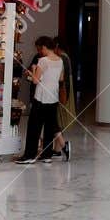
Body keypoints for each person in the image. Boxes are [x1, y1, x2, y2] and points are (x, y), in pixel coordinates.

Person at [18, 35, 62, 164]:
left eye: (39, 49)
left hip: (41, 97)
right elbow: (59, 78)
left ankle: (29, 155)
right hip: (53, 97)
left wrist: (32, 70)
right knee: (49, 127)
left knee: (34, 127)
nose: (39, 52)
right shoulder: (59, 60)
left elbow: (36, 81)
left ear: (43, 47)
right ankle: (47, 155)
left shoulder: (43, 61)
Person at [51, 36, 73, 162]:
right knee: (58, 121)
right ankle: (57, 149)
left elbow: (62, 80)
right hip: (63, 92)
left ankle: (61, 147)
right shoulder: (66, 57)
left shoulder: (63, 58)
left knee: (57, 120)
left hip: (61, 93)